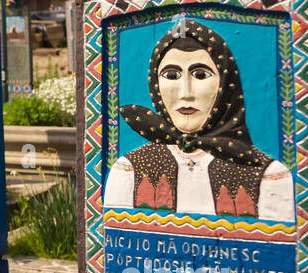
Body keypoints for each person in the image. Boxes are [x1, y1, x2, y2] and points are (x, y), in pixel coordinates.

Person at [103, 20, 294, 221]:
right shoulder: (130, 170)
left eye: (201, 74)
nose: (186, 93)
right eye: (171, 75)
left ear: (226, 83)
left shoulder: (267, 176)